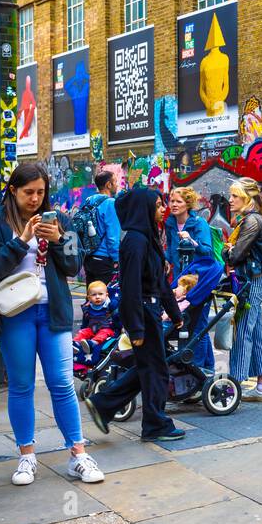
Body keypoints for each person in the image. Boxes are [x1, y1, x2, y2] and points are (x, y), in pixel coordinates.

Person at [0, 162, 102, 487]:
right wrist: (22, 240)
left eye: (40, 192)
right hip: (15, 312)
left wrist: (59, 238)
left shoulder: (62, 220)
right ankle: (27, 456)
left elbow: (74, 266)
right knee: (21, 386)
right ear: (13, 190)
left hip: (54, 311)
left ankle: (77, 454)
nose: (35, 199)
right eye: (28, 192)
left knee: (61, 384)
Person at [84, 188, 185, 442]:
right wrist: (136, 327)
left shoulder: (147, 238)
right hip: (143, 312)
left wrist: (174, 314)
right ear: (145, 208)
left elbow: (160, 282)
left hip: (150, 310)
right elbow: (130, 288)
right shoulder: (135, 241)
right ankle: (154, 424)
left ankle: (103, 404)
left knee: (147, 368)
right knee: (156, 370)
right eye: (159, 204)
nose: (163, 209)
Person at [223, 177, 262, 402]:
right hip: (254, 280)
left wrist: (227, 251)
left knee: (242, 331)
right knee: (256, 332)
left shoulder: (252, 222)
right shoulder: (249, 220)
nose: (230, 199)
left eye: (235, 196)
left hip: (251, 282)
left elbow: (234, 256)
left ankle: (234, 384)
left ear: (247, 198)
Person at [165, 185, 221, 375]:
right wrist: (166, 260)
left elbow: (208, 252)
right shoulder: (171, 222)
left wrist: (191, 241)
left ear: (187, 204)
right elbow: (171, 247)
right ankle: (203, 369)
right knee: (186, 324)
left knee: (199, 325)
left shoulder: (199, 224)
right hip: (180, 280)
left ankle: (200, 369)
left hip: (198, 280)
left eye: (178, 201)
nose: (173, 204)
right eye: (171, 201)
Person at [81, 170, 121, 285]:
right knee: (105, 297)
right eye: (115, 182)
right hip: (104, 258)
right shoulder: (111, 203)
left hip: (88, 256)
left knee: (92, 295)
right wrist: (116, 258)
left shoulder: (89, 200)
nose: (117, 185)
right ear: (108, 184)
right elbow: (112, 235)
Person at [74, 280, 119, 369]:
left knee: (103, 333)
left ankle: (92, 344)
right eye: (94, 295)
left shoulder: (110, 305)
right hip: (92, 329)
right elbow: (85, 321)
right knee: (83, 332)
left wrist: (120, 328)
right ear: (89, 298)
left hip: (106, 328)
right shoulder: (87, 307)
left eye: (100, 294)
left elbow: (117, 317)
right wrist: (83, 329)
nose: (97, 297)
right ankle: (76, 343)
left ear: (106, 295)